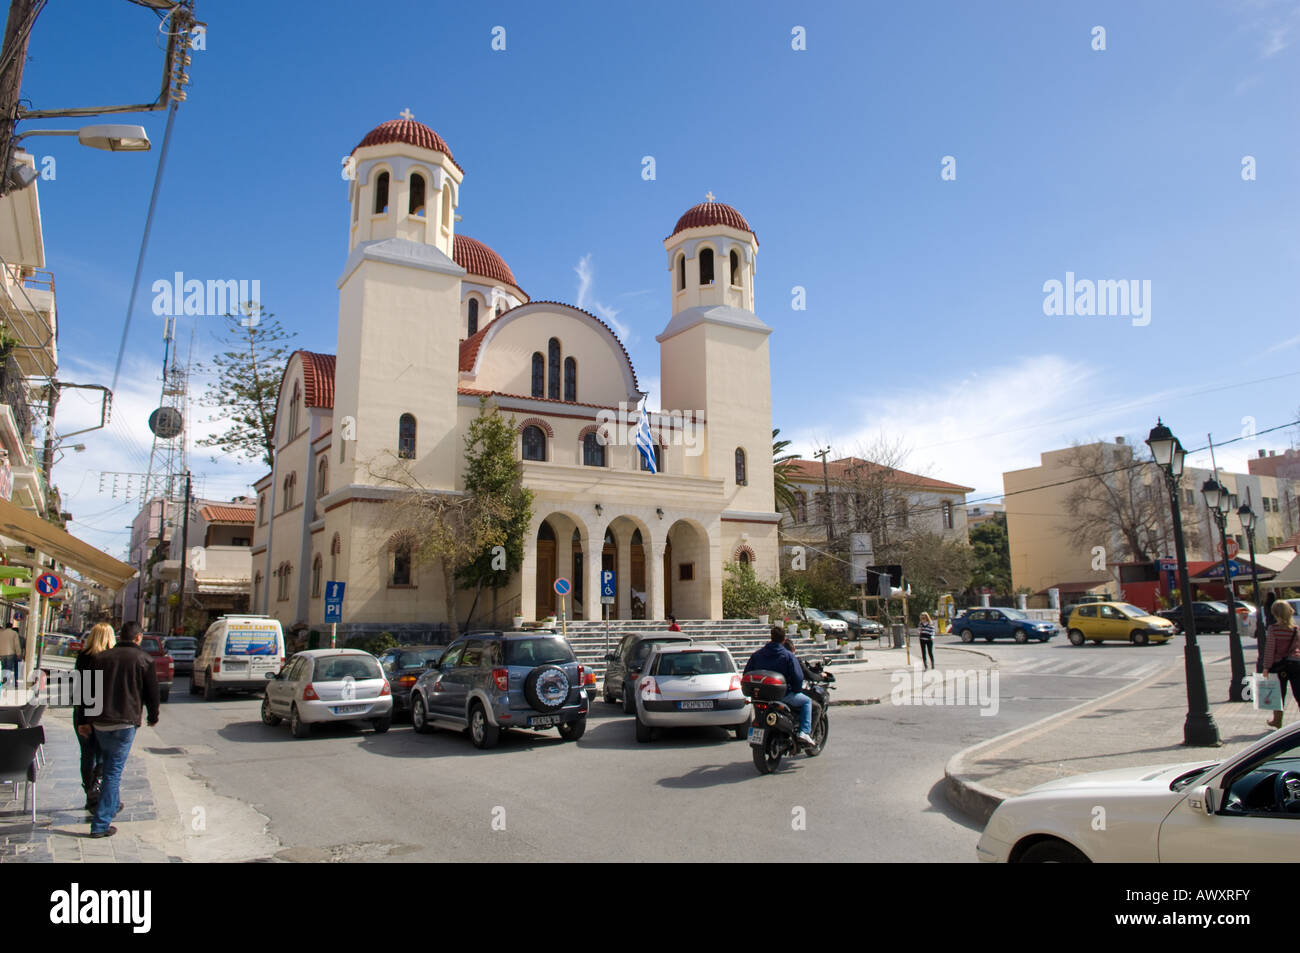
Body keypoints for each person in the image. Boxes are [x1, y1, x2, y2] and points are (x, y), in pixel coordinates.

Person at [84, 621, 159, 838]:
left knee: (108, 765)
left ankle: (112, 803)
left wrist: (86, 720)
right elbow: (152, 694)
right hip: (125, 722)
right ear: (138, 637)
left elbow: (88, 691)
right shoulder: (144, 659)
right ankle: (100, 823)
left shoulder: (100, 658)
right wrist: (153, 717)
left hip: (100, 721)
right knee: (113, 771)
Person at [744, 626, 816, 747]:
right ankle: (804, 732)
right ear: (783, 640)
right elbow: (798, 677)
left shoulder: (757, 655)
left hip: (760, 697)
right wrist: (796, 690)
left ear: (771, 637)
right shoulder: (788, 656)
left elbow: (746, 673)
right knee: (807, 702)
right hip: (783, 696)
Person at [74, 624, 115, 810]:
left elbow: (81, 689)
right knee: (101, 754)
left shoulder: (83, 657)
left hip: (83, 711)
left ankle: (89, 792)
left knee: (87, 754)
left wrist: (82, 720)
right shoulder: (110, 658)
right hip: (102, 713)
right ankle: (96, 791)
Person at [1261, 599, 1300, 731]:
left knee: (1277, 694)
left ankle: (1277, 720)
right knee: (1298, 692)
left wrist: (1266, 667)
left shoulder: (1273, 629)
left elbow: (1270, 649)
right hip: (1295, 664)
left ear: (1275, 614)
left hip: (1278, 666)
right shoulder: (1295, 629)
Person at [0, 623, 21, 689]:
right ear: (11, 627)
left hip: (2, 653)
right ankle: (6, 680)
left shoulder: (1, 633)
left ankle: (3, 679)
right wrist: (18, 653)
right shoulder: (14, 633)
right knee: (8, 667)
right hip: (11, 653)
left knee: (3, 667)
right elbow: (16, 644)